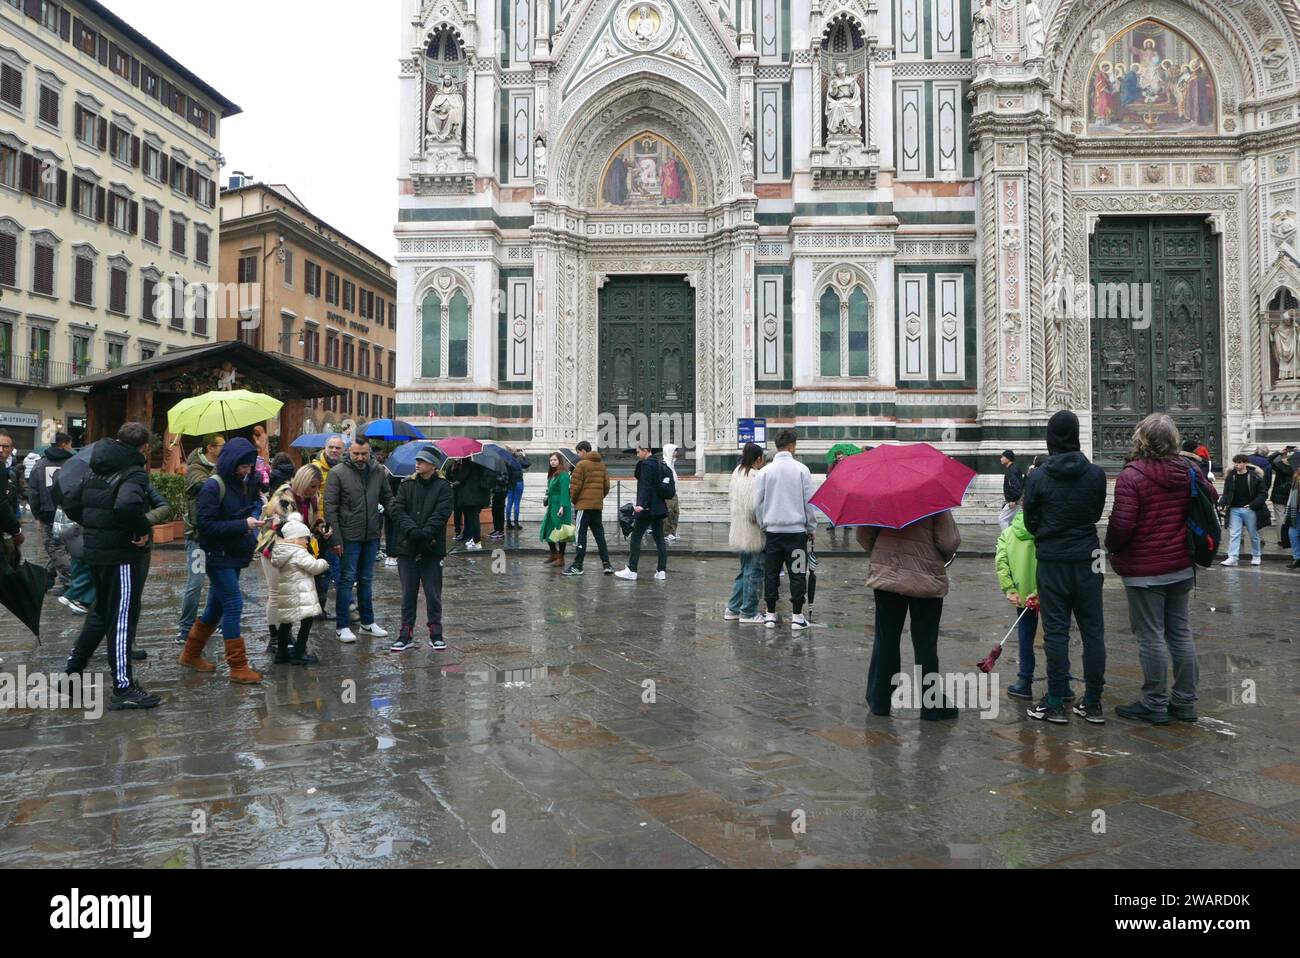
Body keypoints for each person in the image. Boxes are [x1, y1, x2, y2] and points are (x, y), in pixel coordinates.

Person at [1106, 414, 1214, 725]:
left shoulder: (1132, 476)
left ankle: (1154, 702)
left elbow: (1122, 525)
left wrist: (1112, 546)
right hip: (1181, 565)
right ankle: (1185, 702)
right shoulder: (1188, 470)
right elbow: (1209, 500)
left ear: (1140, 440)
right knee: (1180, 634)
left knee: (1151, 635)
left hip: (1144, 570)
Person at [61, 422, 158, 710]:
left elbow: (70, 501)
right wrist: (141, 530)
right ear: (143, 448)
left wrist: (94, 526)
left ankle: (72, 673)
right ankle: (123, 687)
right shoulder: (133, 472)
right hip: (121, 555)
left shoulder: (94, 466)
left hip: (96, 552)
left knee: (101, 615)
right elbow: (127, 506)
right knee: (122, 619)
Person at [1022, 410, 1108, 725]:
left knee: (1056, 632)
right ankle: (1094, 703)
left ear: (1050, 438)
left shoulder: (1037, 476)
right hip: (1090, 557)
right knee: (1093, 630)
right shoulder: (1096, 474)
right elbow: (1096, 513)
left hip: (1053, 559)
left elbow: (1030, 522)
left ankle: (1056, 702)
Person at [857, 510, 961, 720]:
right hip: (925, 578)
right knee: (926, 645)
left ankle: (879, 700)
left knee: (886, 640)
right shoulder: (934, 499)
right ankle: (931, 706)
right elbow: (948, 542)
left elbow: (863, 536)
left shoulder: (880, 495)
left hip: (887, 578)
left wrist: (881, 552)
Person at [179, 437, 266, 683]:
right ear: (231, 462)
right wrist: (243, 524)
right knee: (234, 604)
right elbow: (206, 526)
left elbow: (239, 512)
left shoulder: (240, 483)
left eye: (249, 466)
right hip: (217, 556)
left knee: (215, 608)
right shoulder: (212, 486)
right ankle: (238, 666)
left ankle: (190, 653)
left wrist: (252, 516)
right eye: (243, 465)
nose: (247, 470)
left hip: (234, 553)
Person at [324, 436, 393, 642]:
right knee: (346, 580)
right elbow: (330, 508)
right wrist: (335, 539)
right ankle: (342, 625)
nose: (360, 458)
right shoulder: (338, 473)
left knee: (366, 579)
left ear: (369, 453)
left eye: (364, 454)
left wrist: (400, 518)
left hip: (371, 534)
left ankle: (367, 622)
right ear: (349, 452)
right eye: (356, 454)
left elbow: (388, 498)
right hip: (348, 535)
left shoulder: (378, 471)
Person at [388, 447, 454, 651]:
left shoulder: (444, 487)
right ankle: (405, 633)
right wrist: (412, 530)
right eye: (417, 460)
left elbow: (442, 512)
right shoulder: (406, 484)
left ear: (433, 466)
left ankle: (436, 632)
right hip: (407, 546)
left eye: (423, 461)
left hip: (431, 547)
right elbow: (397, 510)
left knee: (433, 593)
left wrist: (425, 532)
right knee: (408, 592)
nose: (418, 463)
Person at [753, 429, 816, 630]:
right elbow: (808, 503)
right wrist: (811, 526)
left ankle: (770, 614)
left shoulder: (765, 472)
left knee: (771, 573)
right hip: (796, 534)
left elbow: (758, 503)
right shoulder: (801, 470)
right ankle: (797, 616)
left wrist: (764, 523)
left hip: (773, 533)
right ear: (791, 446)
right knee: (797, 573)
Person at [262, 513, 329, 666]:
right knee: (307, 622)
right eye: (305, 538)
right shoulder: (299, 553)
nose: (307, 541)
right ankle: (299, 652)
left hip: (287, 595)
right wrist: (324, 563)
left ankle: (281, 653)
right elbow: (313, 567)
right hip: (301, 594)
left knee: (286, 623)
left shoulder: (281, 551)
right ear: (295, 539)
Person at [178, 434, 224, 645]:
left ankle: (211, 622)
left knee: (219, 583)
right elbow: (205, 487)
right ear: (210, 448)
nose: (224, 449)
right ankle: (186, 628)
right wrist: (221, 468)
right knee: (195, 583)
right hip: (197, 536)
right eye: (221, 446)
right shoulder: (194, 467)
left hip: (217, 536)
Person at [996, 511, 1040, 701]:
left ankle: (1024, 680)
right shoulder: (1047, 531)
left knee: (1025, 636)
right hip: (1050, 592)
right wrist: (1041, 591)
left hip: (1022, 593)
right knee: (1057, 635)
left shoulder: (1008, 533)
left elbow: (1001, 563)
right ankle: (1063, 682)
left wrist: (1010, 589)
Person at [27, 432, 75, 594]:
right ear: (63, 444)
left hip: (48, 511)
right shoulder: (72, 463)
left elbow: (33, 493)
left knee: (55, 547)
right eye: (70, 444)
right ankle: (65, 580)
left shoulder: (40, 465)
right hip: (70, 510)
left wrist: (37, 515)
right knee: (61, 548)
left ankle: (62, 579)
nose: (71, 447)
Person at [725, 442, 767, 624]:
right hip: (753, 532)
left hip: (739, 528)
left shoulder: (737, 472)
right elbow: (754, 509)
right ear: (758, 459)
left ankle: (733, 608)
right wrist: (765, 523)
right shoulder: (756, 476)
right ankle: (748, 612)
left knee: (744, 571)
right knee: (754, 572)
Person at [615, 444, 670, 581]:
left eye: (639, 452)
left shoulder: (646, 464)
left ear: (646, 451)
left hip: (647, 508)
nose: (637, 454)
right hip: (658, 508)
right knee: (659, 540)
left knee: (636, 537)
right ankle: (661, 571)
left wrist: (641, 505)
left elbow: (645, 485)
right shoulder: (658, 463)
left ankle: (632, 570)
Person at [564, 441, 613, 576]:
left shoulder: (581, 465)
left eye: (578, 452)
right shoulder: (601, 465)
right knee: (599, 535)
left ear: (583, 451)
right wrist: (598, 498)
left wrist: (575, 501)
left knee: (581, 535)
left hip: (583, 506)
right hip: (597, 506)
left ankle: (578, 565)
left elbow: (575, 487)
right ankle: (606, 564)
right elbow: (606, 485)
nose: (578, 455)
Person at [309, 435, 346, 609]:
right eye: (331, 447)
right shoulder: (314, 468)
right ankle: (320, 607)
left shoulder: (346, 469)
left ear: (343, 450)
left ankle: (343, 607)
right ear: (325, 448)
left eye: (338, 448)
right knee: (320, 569)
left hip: (338, 525)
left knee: (336, 566)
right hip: (318, 525)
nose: (334, 450)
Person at [1218, 454, 1266, 567]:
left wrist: (1252, 505)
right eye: (1235, 462)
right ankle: (1232, 557)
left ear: (1245, 463)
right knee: (1234, 534)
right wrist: (1222, 503)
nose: (1236, 465)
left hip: (1250, 509)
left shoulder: (1254, 477)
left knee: (1253, 534)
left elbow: (1263, 493)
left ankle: (1256, 555)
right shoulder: (1231, 477)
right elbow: (1226, 493)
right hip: (1234, 509)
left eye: (1239, 462)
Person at [540, 452, 573, 567]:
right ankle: (553, 553)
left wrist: (562, 506)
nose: (552, 462)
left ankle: (561, 557)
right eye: (551, 460)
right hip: (552, 504)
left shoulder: (563, 475)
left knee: (560, 532)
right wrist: (546, 496)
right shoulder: (552, 474)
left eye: (555, 460)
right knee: (548, 529)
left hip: (560, 505)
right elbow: (549, 489)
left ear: (559, 461)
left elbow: (565, 491)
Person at [1268, 445, 1295, 546]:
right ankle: (1290, 537)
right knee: (1292, 517)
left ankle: (1281, 539)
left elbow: (1269, 459)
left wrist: (1279, 452)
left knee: (1280, 517)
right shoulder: (1296, 468)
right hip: (1293, 495)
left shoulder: (1280, 466)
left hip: (1279, 496)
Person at [999, 450, 1024, 530]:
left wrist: (1013, 500)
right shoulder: (1013, 468)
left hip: (1013, 501)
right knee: (1011, 521)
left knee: (1002, 519)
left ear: (1008, 458)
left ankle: (1007, 539)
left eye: (1003, 457)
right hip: (1014, 500)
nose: (1001, 459)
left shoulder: (1011, 470)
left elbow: (1016, 486)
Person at [662, 443, 682, 542]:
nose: (676, 453)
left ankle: (673, 531)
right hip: (668, 494)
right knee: (668, 513)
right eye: (674, 451)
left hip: (674, 493)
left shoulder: (672, 464)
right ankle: (666, 533)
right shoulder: (665, 465)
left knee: (675, 512)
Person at [506, 448, 528, 530]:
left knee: (509, 502)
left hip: (510, 483)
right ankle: (516, 523)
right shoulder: (518, 460)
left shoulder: (506, 460)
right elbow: (527, 464)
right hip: (518, 482)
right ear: (514, 452)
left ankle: (508, 523)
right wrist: (524, 455)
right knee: (516, 503)